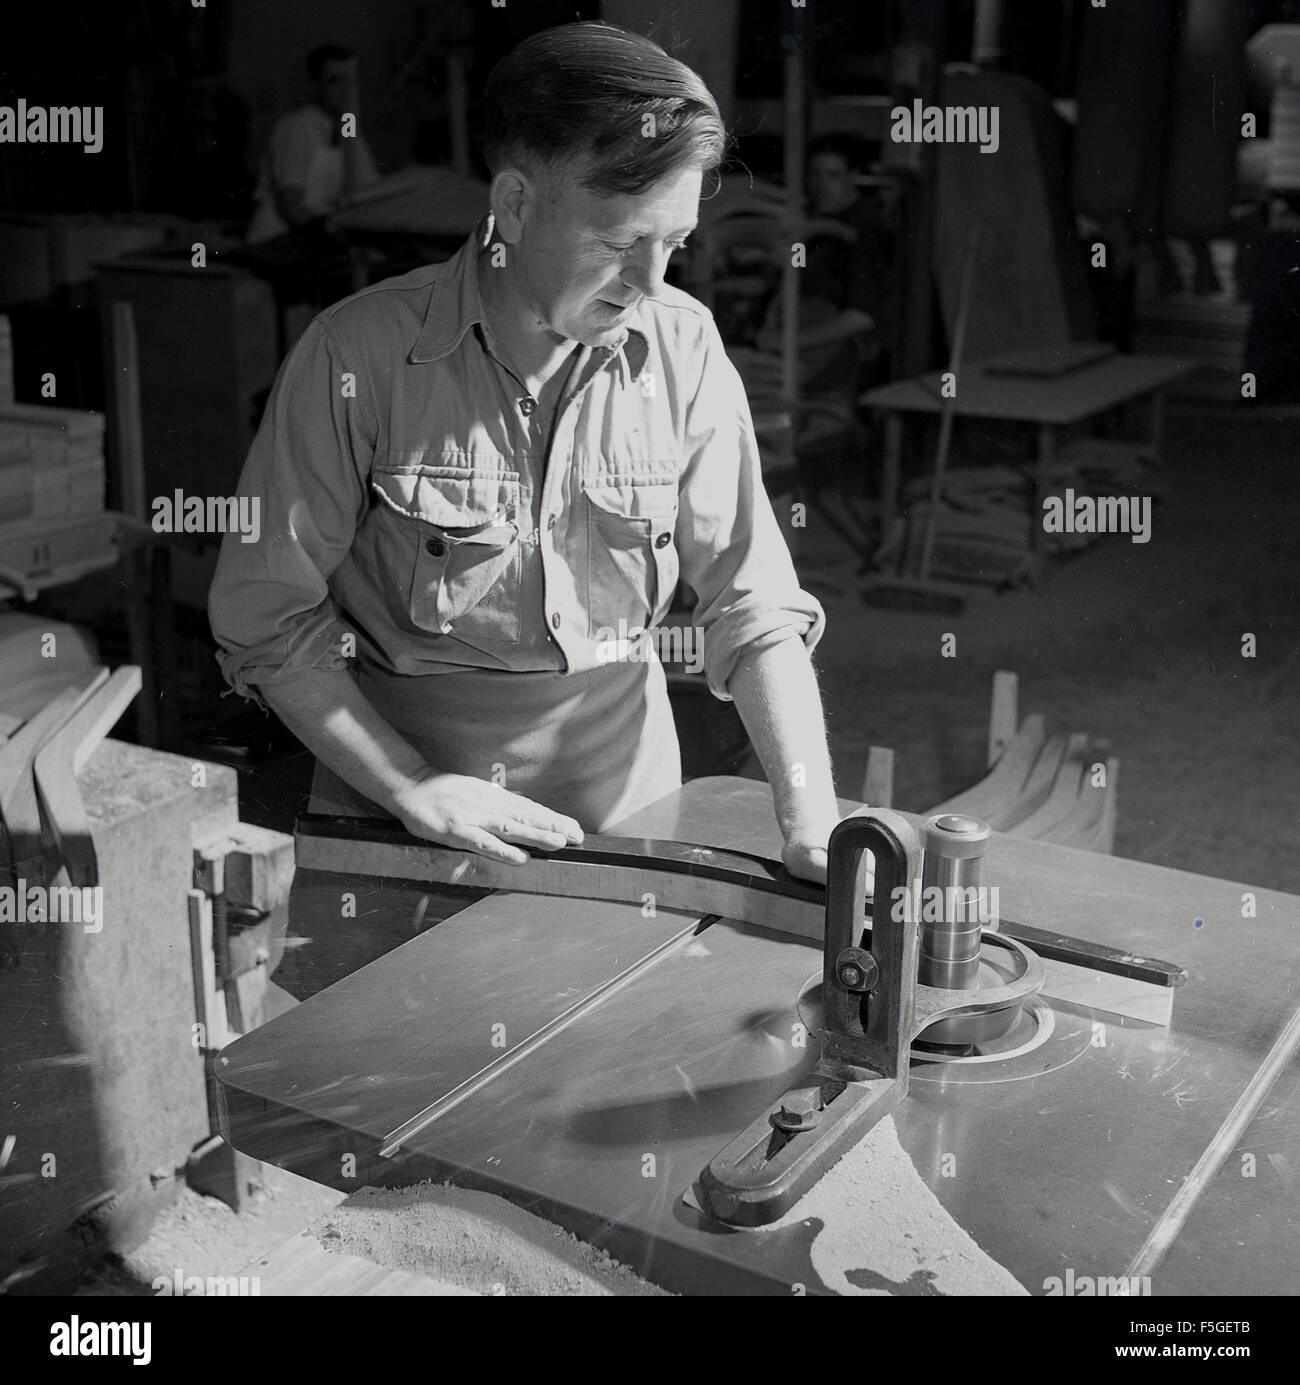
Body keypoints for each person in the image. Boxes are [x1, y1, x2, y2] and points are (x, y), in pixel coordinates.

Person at [210, 21, 844, 895]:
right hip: (404, 834)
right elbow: (266, 620)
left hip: (630, 825)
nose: (654, 284)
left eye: (677, 246)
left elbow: (755, 602)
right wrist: (412, 785)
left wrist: (812, 821)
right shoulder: (357, 357)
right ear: (514, 205)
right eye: (623, 244)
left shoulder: (683, 349)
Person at [246, 44, 380, 245]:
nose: (346, 91)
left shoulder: (350, 129)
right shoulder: (298, 126)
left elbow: (367, 190)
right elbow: (291, 206)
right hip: (276, 240)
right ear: (316, 85)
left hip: (312, 241)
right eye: (335, 82)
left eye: (352, 82)